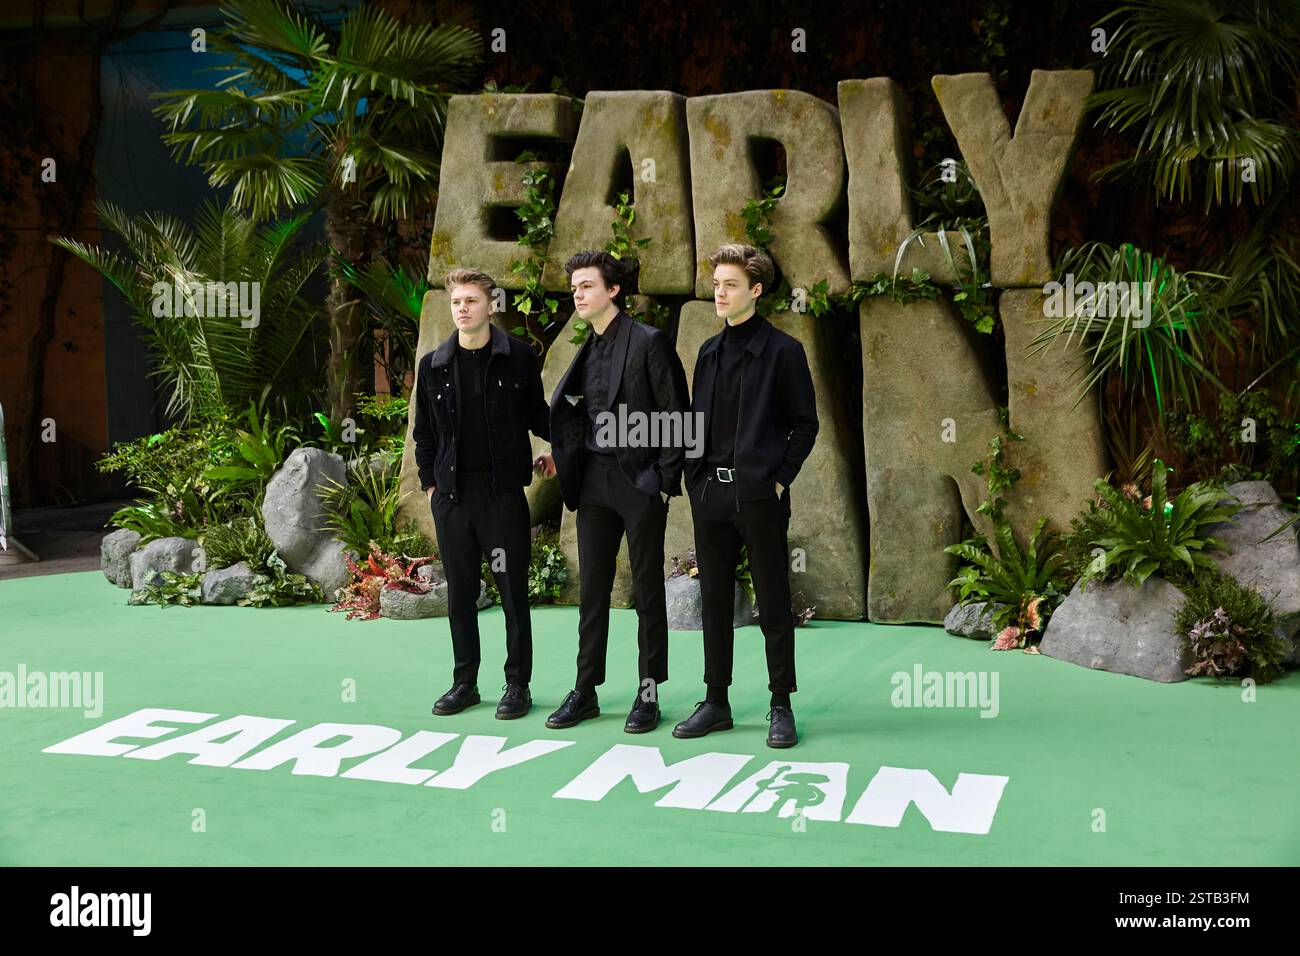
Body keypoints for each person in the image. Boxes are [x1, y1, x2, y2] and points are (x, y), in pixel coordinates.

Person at [534, 251, 690, 733]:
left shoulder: (648, 342)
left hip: (638, 484)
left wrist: (661, 483)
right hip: (593, 485)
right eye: (574, 287)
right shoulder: (589, 347)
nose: (577, 294)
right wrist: (564, 456)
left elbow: (676, 414)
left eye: (586, 286)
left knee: (646, 593)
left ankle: (648, 694)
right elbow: (582, 417)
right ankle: (586, 692)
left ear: (613, 290)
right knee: (592, 592)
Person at [671, 243, 818, 748]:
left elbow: (805, 424)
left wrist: (777, 481)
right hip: (710, 496)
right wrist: (696, 479)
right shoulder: (708, 353)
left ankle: (781, 702)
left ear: (755, 290)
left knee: (773, 600)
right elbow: (694, 426)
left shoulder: (785, 352)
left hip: (759, 498)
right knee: (714, 601)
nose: (720, 293)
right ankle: (716, 701)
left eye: (730, 284)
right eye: (716, 284)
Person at [411, 268, 550, 720]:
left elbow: (539, 416)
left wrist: (562, 451)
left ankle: (517, 685)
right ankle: (464, 682)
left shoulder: (521, 358)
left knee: (512, 592)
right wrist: (431, 485)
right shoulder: (432, 365)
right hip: (452, 498)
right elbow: (424, 434)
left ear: (492, 305)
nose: (463, 309)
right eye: (456, 302)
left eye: (472, 300)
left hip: (502, 494)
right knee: (461, 595)